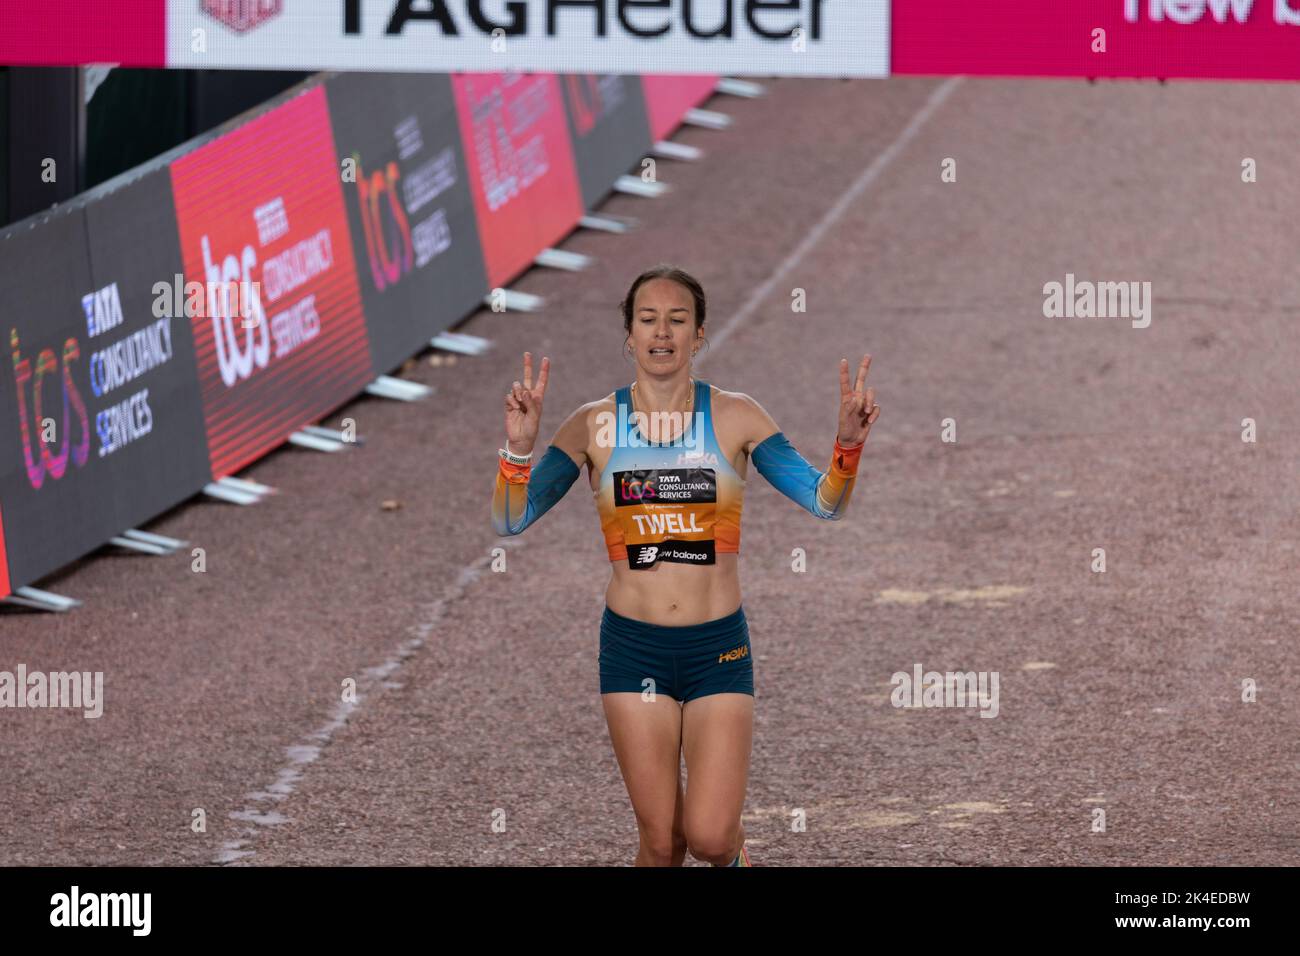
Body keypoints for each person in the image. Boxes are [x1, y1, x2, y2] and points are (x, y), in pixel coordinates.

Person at [491, 264, 880, 866]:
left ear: (699, 335)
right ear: (629, 334)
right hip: (633, 651)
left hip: (717, 651)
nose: (663, 332)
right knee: (662, 842)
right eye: (648, 319)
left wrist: (847, 447)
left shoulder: (737, 417)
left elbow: (824, 504)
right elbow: (511, 520)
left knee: (711, 838)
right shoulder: (592, 426)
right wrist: (518, 448)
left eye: (678, 320)